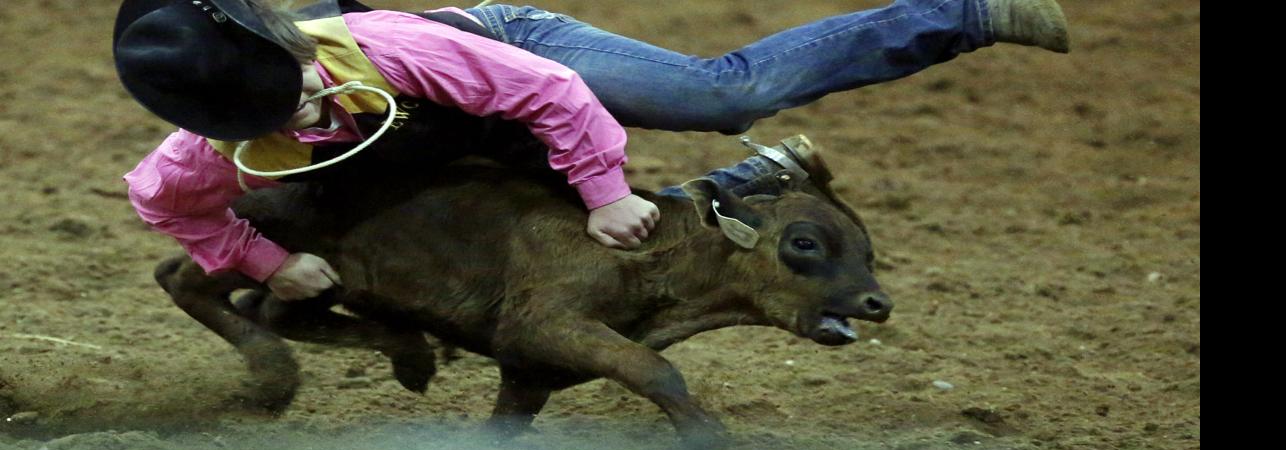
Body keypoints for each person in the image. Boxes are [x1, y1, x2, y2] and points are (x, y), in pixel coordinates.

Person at [116, 0, 1070, 301]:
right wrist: (263, 262)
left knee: (724, 94)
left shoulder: (392, 48)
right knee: (558, 241)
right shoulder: (204, 151)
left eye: (294, 77)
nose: (302, 97)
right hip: (459, 141)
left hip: (518, 57)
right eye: (272, 107)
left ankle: (960, 11)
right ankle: (732, 186)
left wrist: (607, 189)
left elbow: (549, 93)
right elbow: (161, 200)